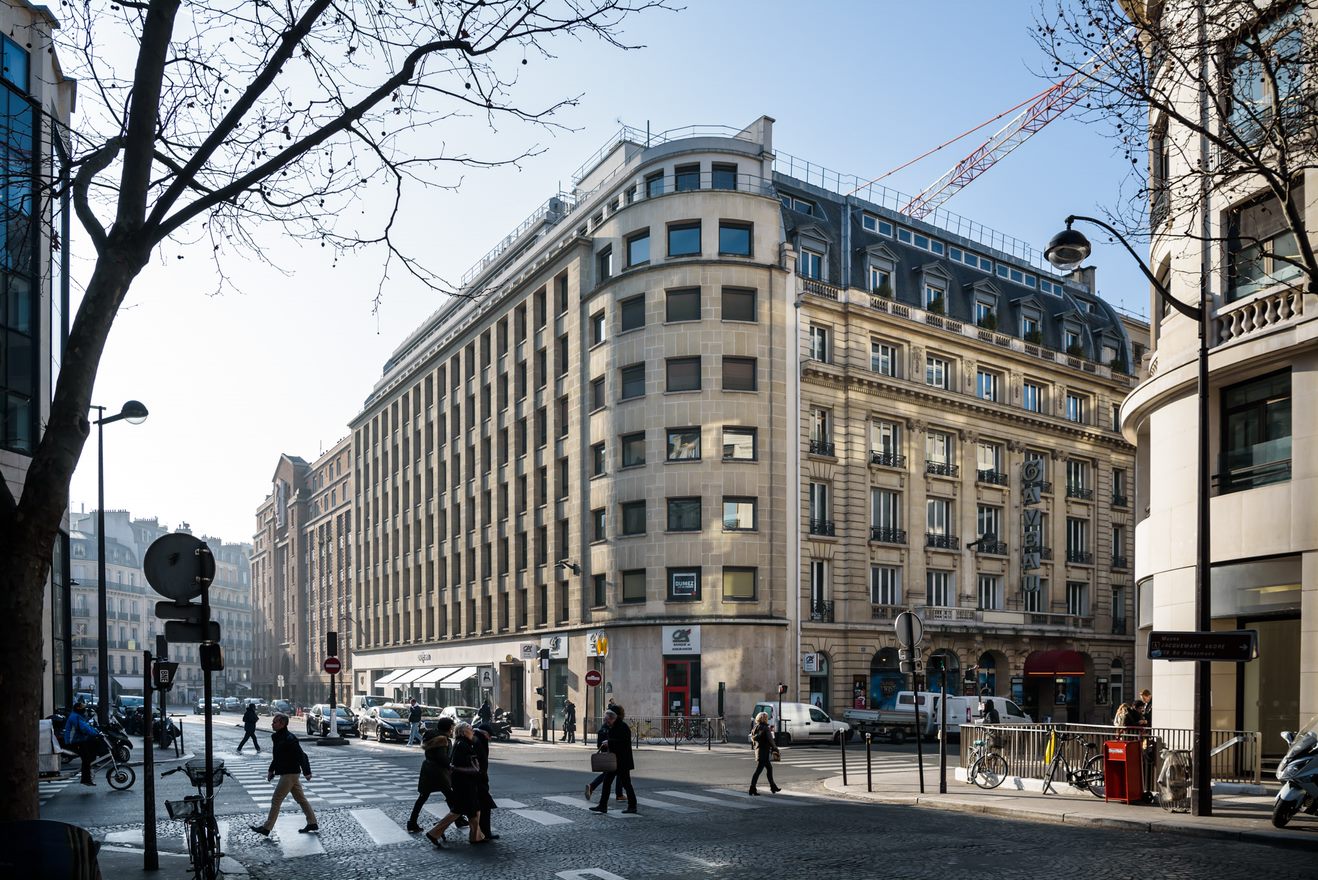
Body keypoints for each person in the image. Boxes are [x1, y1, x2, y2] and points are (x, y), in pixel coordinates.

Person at [249, 713, 318, 836]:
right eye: (273, 722)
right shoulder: (277, 737)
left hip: (290, 773)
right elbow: (277, 756)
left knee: (276, 799)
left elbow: (301, 755)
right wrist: (271, 770)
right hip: (287, 773)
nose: (272, 724)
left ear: (283, 724)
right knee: (301, 799)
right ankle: (312, 822)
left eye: (275, 722)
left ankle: (267, 828)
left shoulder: (290, 738)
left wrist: (307, 772)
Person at [425, 722, 485, 847]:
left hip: (464, 781)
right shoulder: (462, 745)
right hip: (464, 783)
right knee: (459, 810)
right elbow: (459, 765)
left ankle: (476, 836)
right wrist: (474, 767)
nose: (472, 730)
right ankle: (434, 832)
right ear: (463, 732)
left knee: (474, 809)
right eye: (470, 729)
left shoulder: (463, 743)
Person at [406, 717, 454, 833]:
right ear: (448, 727)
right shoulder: (442, 740)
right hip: (439, 771)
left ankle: (412, 822)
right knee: (450, 795)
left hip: (428, 769)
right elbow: (442, 757)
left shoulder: (432, 736)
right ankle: (457, 818)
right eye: (452, 726)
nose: (453, 729)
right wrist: (450, 766)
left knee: (423, 796)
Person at [590, 708, 637, 814]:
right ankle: (602, 806)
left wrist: (609, 743)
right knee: (607, 782)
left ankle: (632, 806)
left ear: (612, 718)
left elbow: (623, 743)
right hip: (613, 761)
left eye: (607, 720)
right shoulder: (612, 726)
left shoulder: (623, 727)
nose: (606, 722)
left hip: (623, 761)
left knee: (626, 784)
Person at [585, 703, 626, 802]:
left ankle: (594, 789)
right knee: (616, 774)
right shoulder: (615, 725)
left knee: (609, 774)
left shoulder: (604, 725)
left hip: (606, 752)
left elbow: (600, 743)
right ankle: (619, 794)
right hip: (614, 753)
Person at [471, 724, 499, 841]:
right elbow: (479, 761)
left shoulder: (476, 739)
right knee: (484, 805)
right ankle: (484, 833)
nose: (490, 738)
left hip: (477, 778)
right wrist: (482, 775)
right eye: (489, 735)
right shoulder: (479, 741)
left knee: (479, 806)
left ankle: (481, 833)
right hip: (478, 778)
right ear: (484, 733)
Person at [64, 703, 100, 786]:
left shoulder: (78, 716)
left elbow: (87, 726)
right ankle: (86, 779)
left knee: (92, 746)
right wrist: (96, 734)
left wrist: (97, 731)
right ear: (78, 708)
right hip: (74, 742)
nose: (85, 710)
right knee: (86, 759)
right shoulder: (75, 717)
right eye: (83, 708)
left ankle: (88, 772)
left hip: (79, 740)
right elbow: (84, 728)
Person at [748, 711, 781, 796]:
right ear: (765, 719)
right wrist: (776, 748)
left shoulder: (756, 727)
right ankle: (752, 788)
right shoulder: (766, 728)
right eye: (766, 717)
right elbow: (770, 740)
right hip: (764, 752)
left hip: (759, 751)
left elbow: (753, 739)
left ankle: (773, 786)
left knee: (769, 768)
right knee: (758, 771)